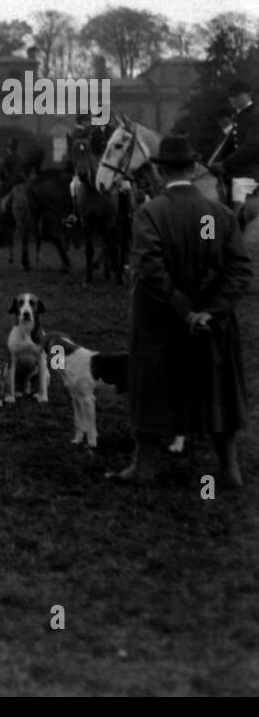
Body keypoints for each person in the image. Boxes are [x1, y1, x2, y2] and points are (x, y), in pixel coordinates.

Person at [114, 135, 250, 487]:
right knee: (217, 387)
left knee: (153, 384)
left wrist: (183, 309)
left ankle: (145, 467)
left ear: (161, 172)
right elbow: (239, 270)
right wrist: (210, 312)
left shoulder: (150, 213)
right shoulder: (219, 214)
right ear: (192, 169)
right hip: (213, 323)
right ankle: (229, 468)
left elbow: (150, 268)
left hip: (160, 320)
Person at [215, 79, 259, 220]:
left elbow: (252, 146)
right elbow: (229, 145)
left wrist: (225, 163)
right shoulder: (237, 117)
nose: (234, 99)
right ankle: (210, 230)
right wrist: (213, 163)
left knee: (237, 196)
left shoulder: (256, 115)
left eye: (238, 95)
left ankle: (234, 227)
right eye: (231, 96)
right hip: (236, 170)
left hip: (252, 170)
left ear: (249, 94)